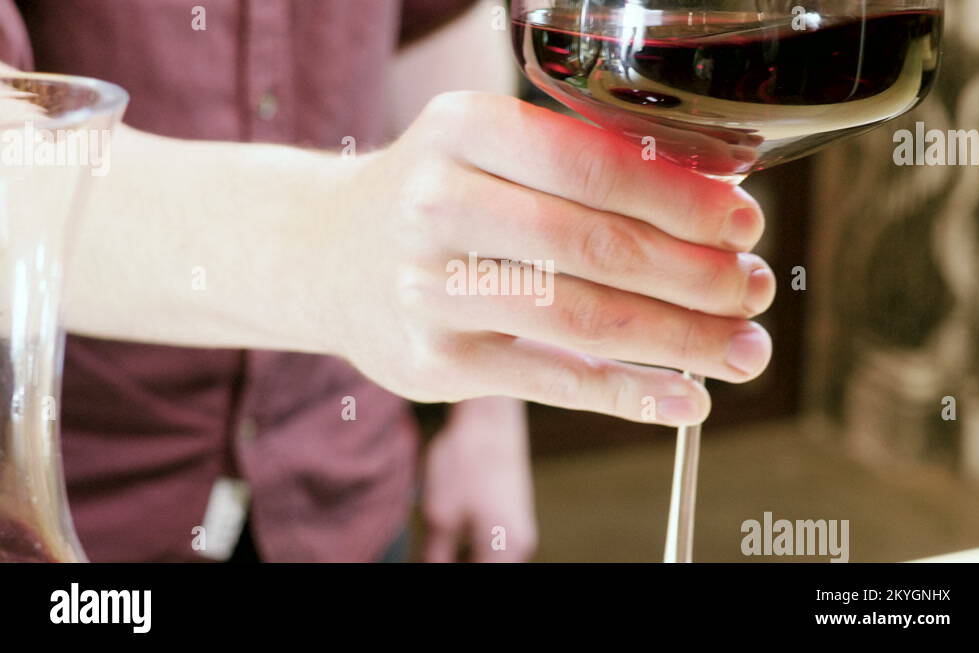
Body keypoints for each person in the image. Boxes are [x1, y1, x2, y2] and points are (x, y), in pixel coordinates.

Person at [0, 0, 775, 562]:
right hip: (80, 505)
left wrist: (485, 417)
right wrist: (325, 244)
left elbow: (435, 20)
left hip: (345, 484)